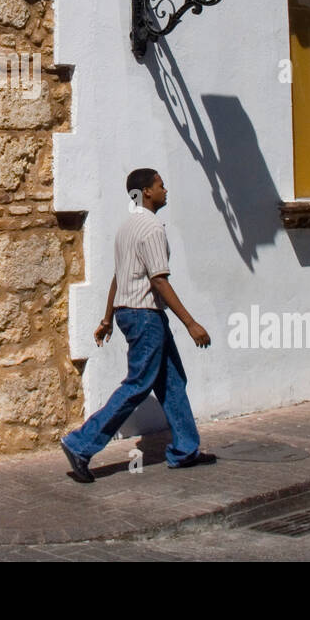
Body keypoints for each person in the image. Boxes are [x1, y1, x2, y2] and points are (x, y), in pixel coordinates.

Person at [60, 168, 214, 483]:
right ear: (146, 191)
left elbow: (119, 277)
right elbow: (158, 279)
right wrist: (191, 323)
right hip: (146, 315)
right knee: (138, 385)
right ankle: (81, 444)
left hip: (129, 313)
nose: (165, 189)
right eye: (160, 185)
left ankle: (185, 450)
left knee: (172, 381)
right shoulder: (152, 229)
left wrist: (107, 318)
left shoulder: (126, 229)